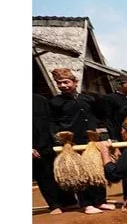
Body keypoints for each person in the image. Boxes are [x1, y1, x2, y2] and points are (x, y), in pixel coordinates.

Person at [47, 67, 114, 214]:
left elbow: (99, 118)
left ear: (75, 82)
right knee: (82, 174)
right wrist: (59, 139)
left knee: (97, 170)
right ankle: (86, 204)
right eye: (59, 83)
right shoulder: (55, 102)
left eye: (66, 82)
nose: (63, 85)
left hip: (91, 140)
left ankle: (100, 201)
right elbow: (52, 123)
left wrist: (102, 136)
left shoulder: (88, 99)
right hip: (73, 143)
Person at [33, 92, 76, 214]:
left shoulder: (41, 99)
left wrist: (59, 139)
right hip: (34, 147)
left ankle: (69, 201)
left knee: (61, 172)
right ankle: (54, 205)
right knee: (44, 176)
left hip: (50, 143)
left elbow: (52, 121)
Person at [95, 75, 127, 142]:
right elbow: (108, 118)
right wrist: (113, 137)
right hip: (117, 132)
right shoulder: (110, 98)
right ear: (120, 85)